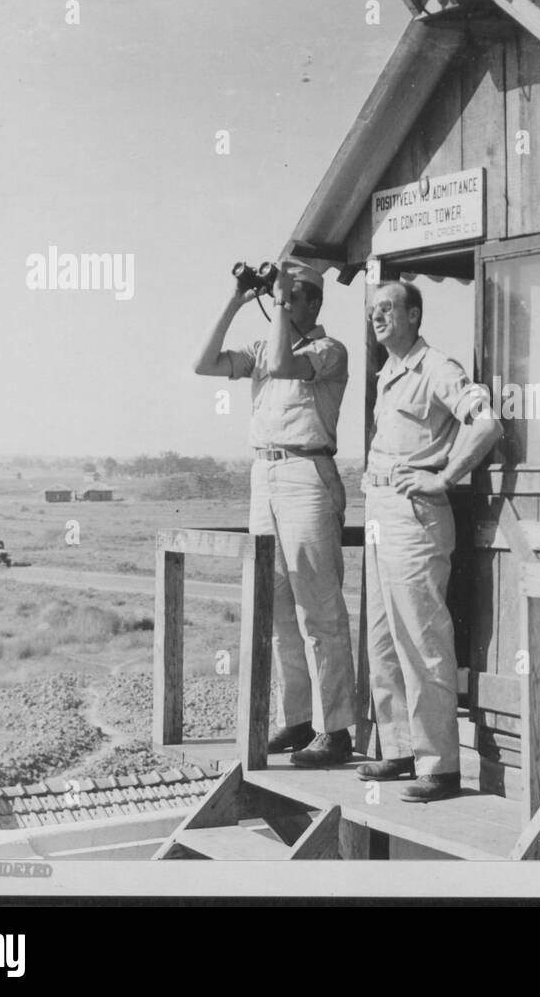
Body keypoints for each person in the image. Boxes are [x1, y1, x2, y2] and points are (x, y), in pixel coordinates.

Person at [193, 260, 356, 767]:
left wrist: (278, 305)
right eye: (284, 295)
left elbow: (285, 364)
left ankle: (338, 729)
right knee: (280, 608)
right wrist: (239, 299)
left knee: (319, 609)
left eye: (294, 295)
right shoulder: (265, 346)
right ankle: (299, 719)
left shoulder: (328, 351)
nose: (284, 301)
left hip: (307, 474)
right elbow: (204, 364)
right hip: (264, 475)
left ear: (312, 302)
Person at [356, 280, 502, 803]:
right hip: (380, 512)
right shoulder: (390, 374)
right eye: (375, 310)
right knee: (382, 637)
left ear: (414, 315)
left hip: (414, 516)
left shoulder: (436, 368)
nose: (379, 317)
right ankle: (398, 749)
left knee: (422, 638)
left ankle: (439, 766)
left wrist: (444, 478)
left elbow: (485, 424)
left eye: (389, 308)